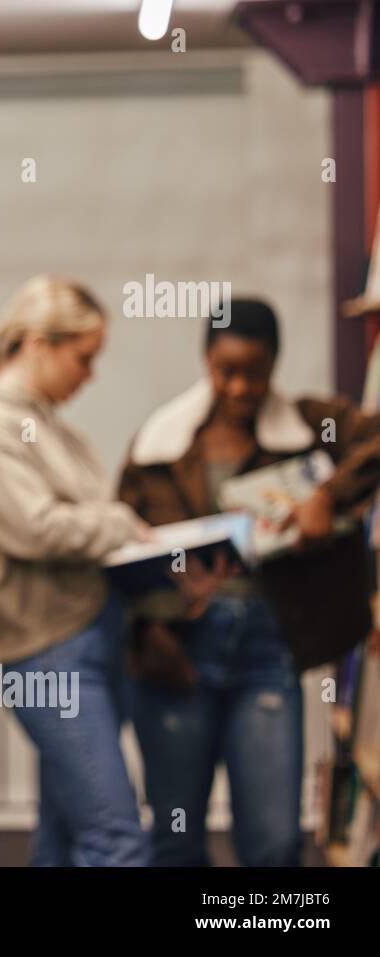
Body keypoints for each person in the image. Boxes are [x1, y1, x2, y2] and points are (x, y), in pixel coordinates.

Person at [117, 298, 380, 866]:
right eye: (225, 370)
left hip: (267, 650)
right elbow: (121, 549)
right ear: (206, 361)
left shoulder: (311, 425)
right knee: (176, 837)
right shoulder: (160, 442)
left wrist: (328, 495)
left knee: (274, 839)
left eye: (255, 373)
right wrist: (152, 629)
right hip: (177, 654)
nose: (239, 386)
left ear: (275, 365)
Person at [0, 274, 150, 866]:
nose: (89, 374)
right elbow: (36, 527)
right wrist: (120, 524)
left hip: (84, 634)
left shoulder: (41, 419)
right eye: (83, 357)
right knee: (116, 836)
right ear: (40, 344)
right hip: (48, 651)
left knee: (68, 831)